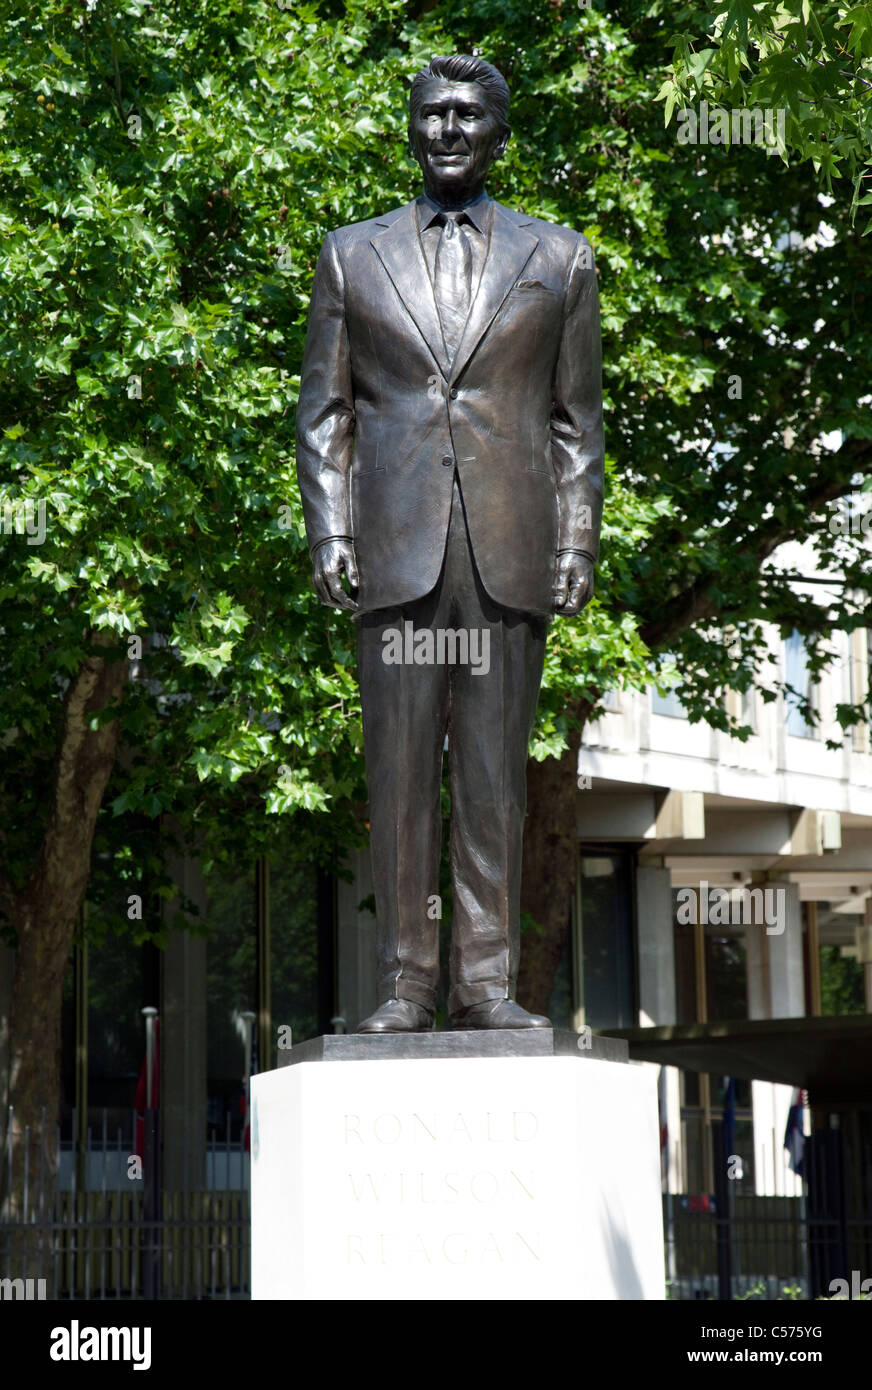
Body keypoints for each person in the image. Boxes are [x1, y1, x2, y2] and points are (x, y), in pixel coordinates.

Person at [296, 54, 604, 1031]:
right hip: (392, 547)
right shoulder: (350, 256)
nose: (447, 130)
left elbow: (573, 423)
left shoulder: (559, 261)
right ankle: (401, 983)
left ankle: (483, 983)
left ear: (497, 131)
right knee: (396, 777)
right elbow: (324, 413)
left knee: (489, 778)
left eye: (467, 114)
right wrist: (330, 527)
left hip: (506, 551)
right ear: (411, 126)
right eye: (432, 114)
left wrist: (576, 542)